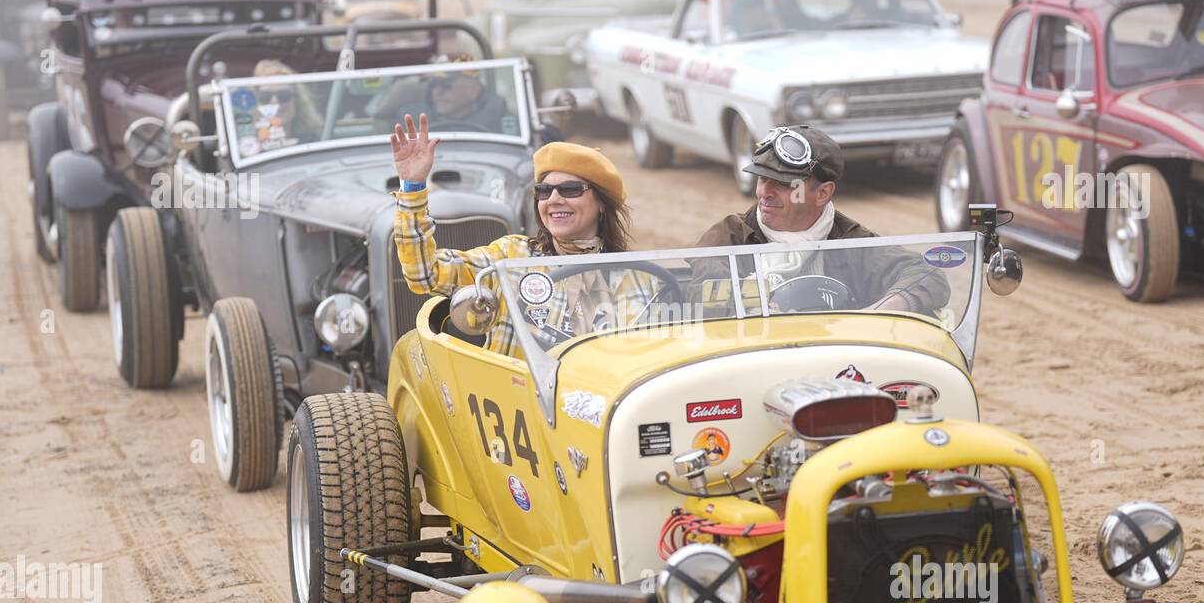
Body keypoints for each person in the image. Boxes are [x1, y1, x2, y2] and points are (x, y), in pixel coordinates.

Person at [392, 115, 654, 358]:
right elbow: (424, 274)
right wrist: (413, 187)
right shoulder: (511, 256)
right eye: (543, 190)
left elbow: (638, 355)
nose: (553, 199)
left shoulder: (633, 275)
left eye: (570, 189)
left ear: (601, 204)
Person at [695, 125, 949, 313]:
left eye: (783, 184)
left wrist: (881, 310)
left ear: (823, 193)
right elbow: (706, 299)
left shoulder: (850, 241)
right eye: (762, 179)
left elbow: (926, 274)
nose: (764, 193)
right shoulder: (729, 236)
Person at [374, 54, 510, 133]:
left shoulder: (501, 121)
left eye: (446, 85)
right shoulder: (411, 119)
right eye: (432, 85)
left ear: (473, 90)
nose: (436, 92)